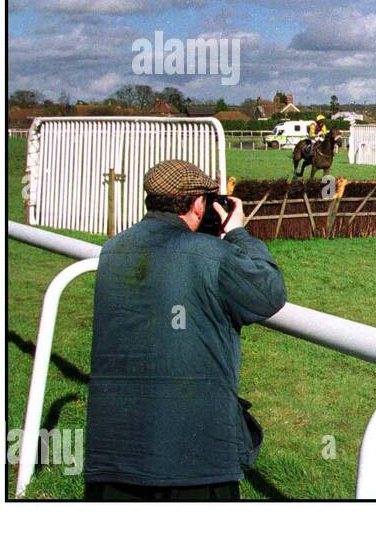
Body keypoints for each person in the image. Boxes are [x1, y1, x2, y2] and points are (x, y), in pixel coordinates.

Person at [84, 160, 287, 501]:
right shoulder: (213, 254)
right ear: (196, 204)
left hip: (114, 452)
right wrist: (238, 233)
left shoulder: (113, 249)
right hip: (193, 461)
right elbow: (269, 294)